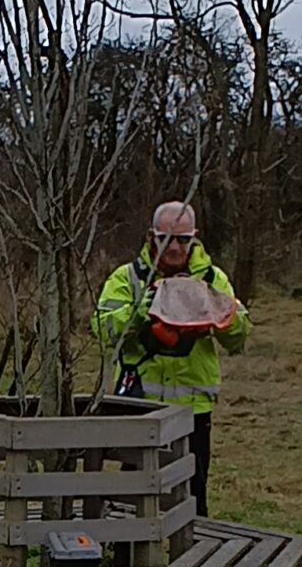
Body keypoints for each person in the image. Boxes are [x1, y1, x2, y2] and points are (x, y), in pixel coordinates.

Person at [93, 199, 249, 515]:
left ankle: (195, 561)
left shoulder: (212, 278)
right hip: (139, 407)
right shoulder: (127, 278)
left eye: (183, 239)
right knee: (133, 497)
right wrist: (145, 309)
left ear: (195, 236)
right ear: (151, 236)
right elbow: (102, 327)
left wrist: (220, 312)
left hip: (193, 412)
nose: (175, 247)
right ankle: (128, 559)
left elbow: (239, 336)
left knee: (192, 498)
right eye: (166, 238)